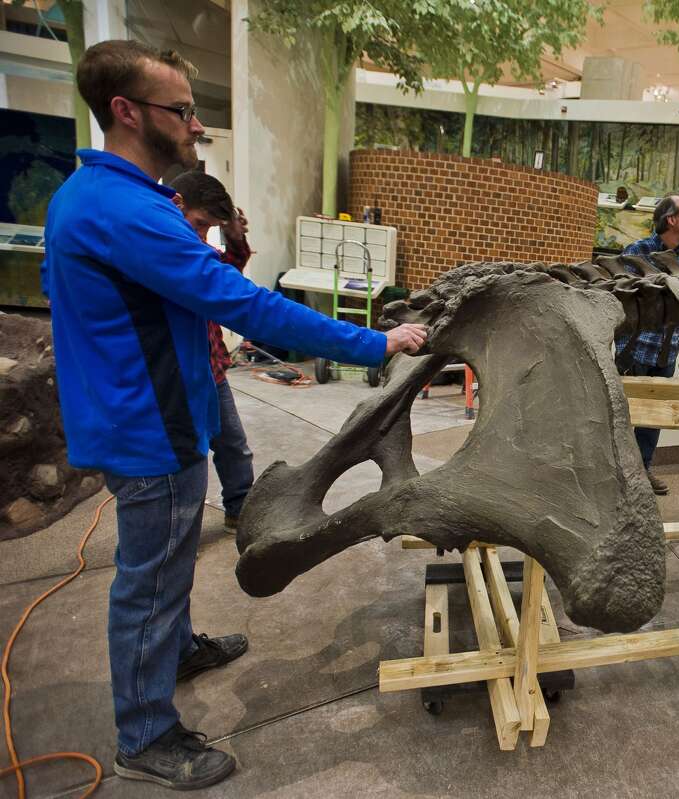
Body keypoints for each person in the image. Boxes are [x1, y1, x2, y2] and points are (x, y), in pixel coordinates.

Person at [41, 40, 427, 791]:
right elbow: (245, 306)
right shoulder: (125, 210)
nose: (193, 124)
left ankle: (177, 648)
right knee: (149, 580)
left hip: (151, 417)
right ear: (125, 111)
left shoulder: (107, 199)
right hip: (149, 431)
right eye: (180, 110)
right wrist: (372, 340)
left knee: (170, 563)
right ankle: (146, 735)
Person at [168, 170, 253, 533]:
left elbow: (226, 275)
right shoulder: (160, 249)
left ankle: (241, 510)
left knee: (233, 444)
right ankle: (177, 533)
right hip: (174, 376)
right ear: (176, 205)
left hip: (212, 369)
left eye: (209, 230)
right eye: (200, 224)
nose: (202, 236)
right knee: (188, 457)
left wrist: (235, 239)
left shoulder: (198, 252)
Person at [614, 194, 679, 496]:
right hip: (634, 346)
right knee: (622, 410)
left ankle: (642, 469)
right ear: (672, 220)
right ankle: (615, 472)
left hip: (668, 347)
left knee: (654, 415)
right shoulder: (637, 252)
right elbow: (623, 296)